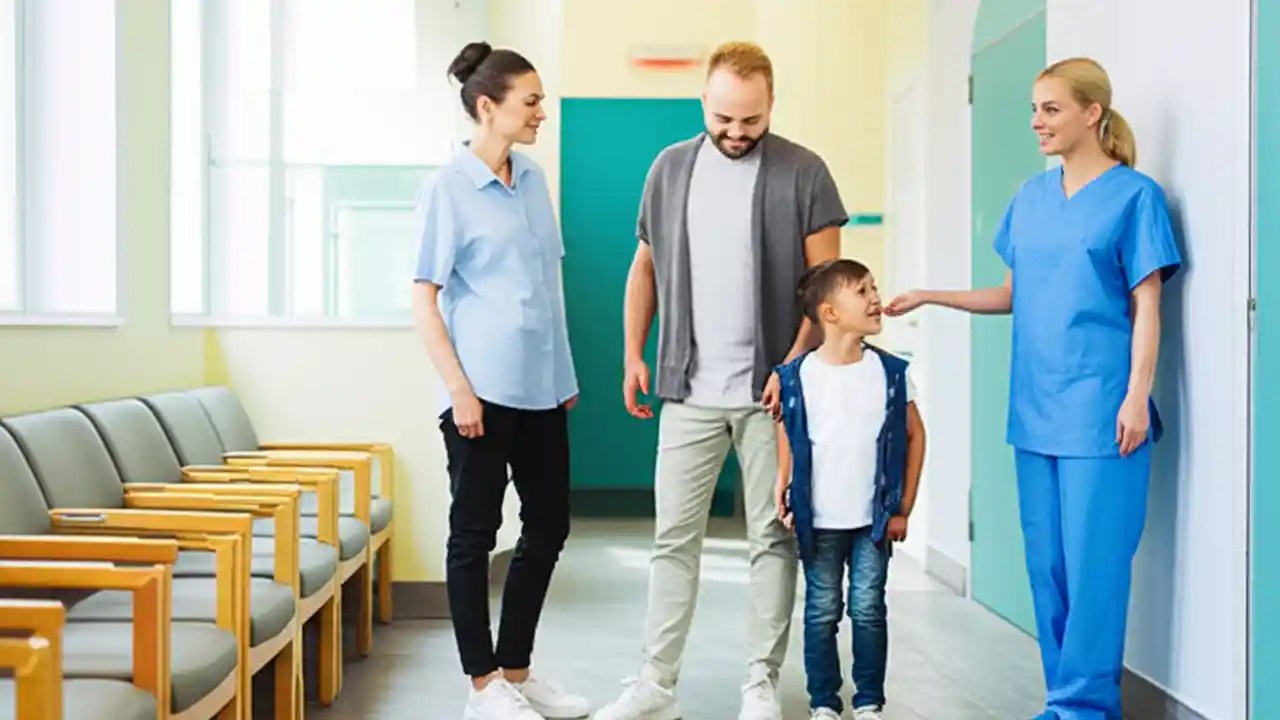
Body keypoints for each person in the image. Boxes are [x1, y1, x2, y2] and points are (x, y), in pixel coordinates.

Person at [885, 57, 1182, 719]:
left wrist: (1138, 394)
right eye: (1033, 108)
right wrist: (932, 294)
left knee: (1094, 571)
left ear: (1091, 114)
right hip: (1035, 411)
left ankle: (1084, 708)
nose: (1036, 122)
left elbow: (1148, 305)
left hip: (1104, 415)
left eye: (1050, 108)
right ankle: (1063, 698)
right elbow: (1014, 295)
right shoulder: (1031, 198)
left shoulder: (1136, 198)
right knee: (1047, 569)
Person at [596, 41, 848, 720]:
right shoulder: (670, 168)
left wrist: (792, 364)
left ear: (771, 106)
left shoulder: (805, 172)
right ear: (704, 103)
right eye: (724, 119)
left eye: (751, 121)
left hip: (772, 397)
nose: (736, 134)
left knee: (773, 537)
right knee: (673, 539)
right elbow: (643, 267)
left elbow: (828, 288)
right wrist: (634, 353)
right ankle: (656, 686)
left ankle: (760, 682)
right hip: (688, 389)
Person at [411, 41, 591, 720]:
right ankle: (482, 686)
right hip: (479, 396)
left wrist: (564, 373)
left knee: (548, 526)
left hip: (543, 390)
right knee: (475, 534)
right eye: (532, 100)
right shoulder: (446, 188)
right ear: (488, 107)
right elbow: (424, 297)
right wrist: (459, 389)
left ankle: (516, 669)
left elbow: (548, 285)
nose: (542, 111)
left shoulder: (534, 179)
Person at [775, 259, 926, 720]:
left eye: (874, 287)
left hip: (872, 520)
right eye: (863, 291)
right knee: (821, 611)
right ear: (830, 312)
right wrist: (782, 486)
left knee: (868, 609)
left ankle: (868, 700)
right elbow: (790, 435)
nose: (876, 297)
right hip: (818, 519)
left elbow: (916, 437)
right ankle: (823, 701)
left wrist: (903, 507)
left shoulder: (892, 373)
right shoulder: (796, 377)